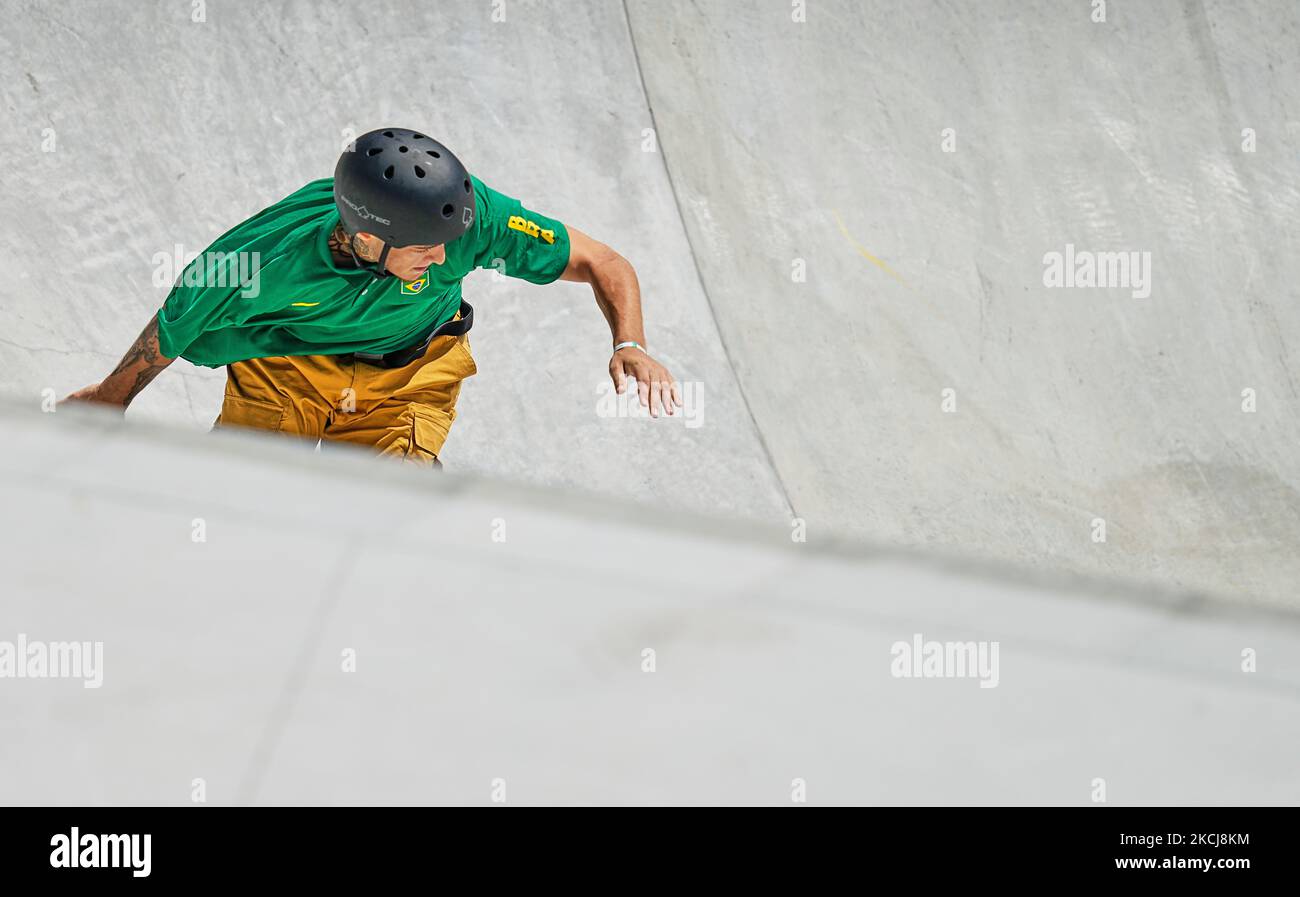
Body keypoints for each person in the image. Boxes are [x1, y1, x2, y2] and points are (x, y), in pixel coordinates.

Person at [66, 127, 681, 465]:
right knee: (238, 511)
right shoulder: (256, 261)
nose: (443, 259)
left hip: (409, 378)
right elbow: (172, 326)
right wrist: (109, 399)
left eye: (448, 243)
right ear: (364, 236)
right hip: (286, 371)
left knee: (381, 520)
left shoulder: (470, 220)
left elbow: (603, 261)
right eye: (422, 250)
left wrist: (630, 342)